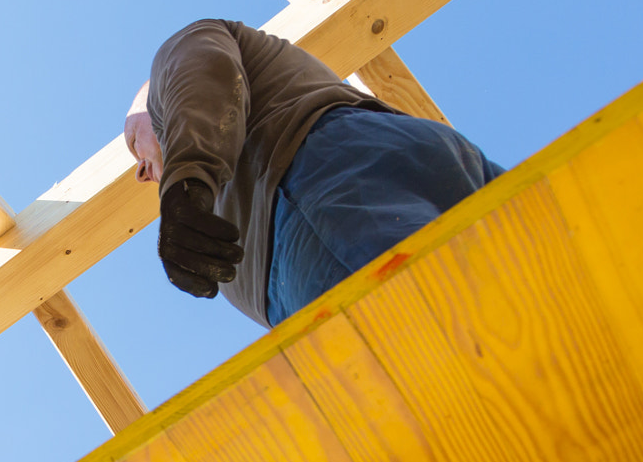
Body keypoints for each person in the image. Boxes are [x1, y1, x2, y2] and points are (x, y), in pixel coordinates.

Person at [123, 19, 503, 328]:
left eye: (133, 142)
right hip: (398, 160)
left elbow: (202, 74)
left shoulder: (177, 62)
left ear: (156, 100)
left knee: (423, 336)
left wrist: (185, 184)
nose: (141, 173)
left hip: (313, 188)